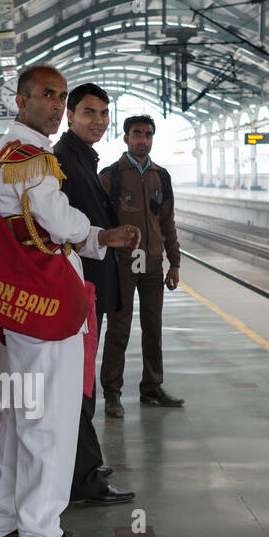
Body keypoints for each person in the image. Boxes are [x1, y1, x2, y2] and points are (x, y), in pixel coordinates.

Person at [0, 64, 140, 537]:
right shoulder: (30, 158)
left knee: (19, 413)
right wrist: (95, 233)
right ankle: (41, 534)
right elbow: (55, 218)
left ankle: (4, 517)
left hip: (16, 302)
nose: (55, 105)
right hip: (46, 302)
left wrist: (95, 236)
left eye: (60, 96)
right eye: (48, 96)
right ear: (22, 101)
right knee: (49, 417)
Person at [52, 83, 136, 507]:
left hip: (91, 288)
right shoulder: (64, 161)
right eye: (89, 112)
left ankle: (84, 463)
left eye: (104, 113)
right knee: (80, 386)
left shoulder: (82, 158)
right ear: (69, 114)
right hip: (78, 290)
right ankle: (82, 478)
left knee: (81, 383)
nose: (98, 120)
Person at [99, 115, 184, 417]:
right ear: (125, 138)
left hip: (152, 264)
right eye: (137, 134)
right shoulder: (111, 176)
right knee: (119, 327)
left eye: (148, 134)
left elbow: (167, 221)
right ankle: (112, 392)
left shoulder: (160, 176)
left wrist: (174, 262)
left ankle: (151, 388)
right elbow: (100, 224)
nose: (142, 139)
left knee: (153, 327)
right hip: (122, 264)